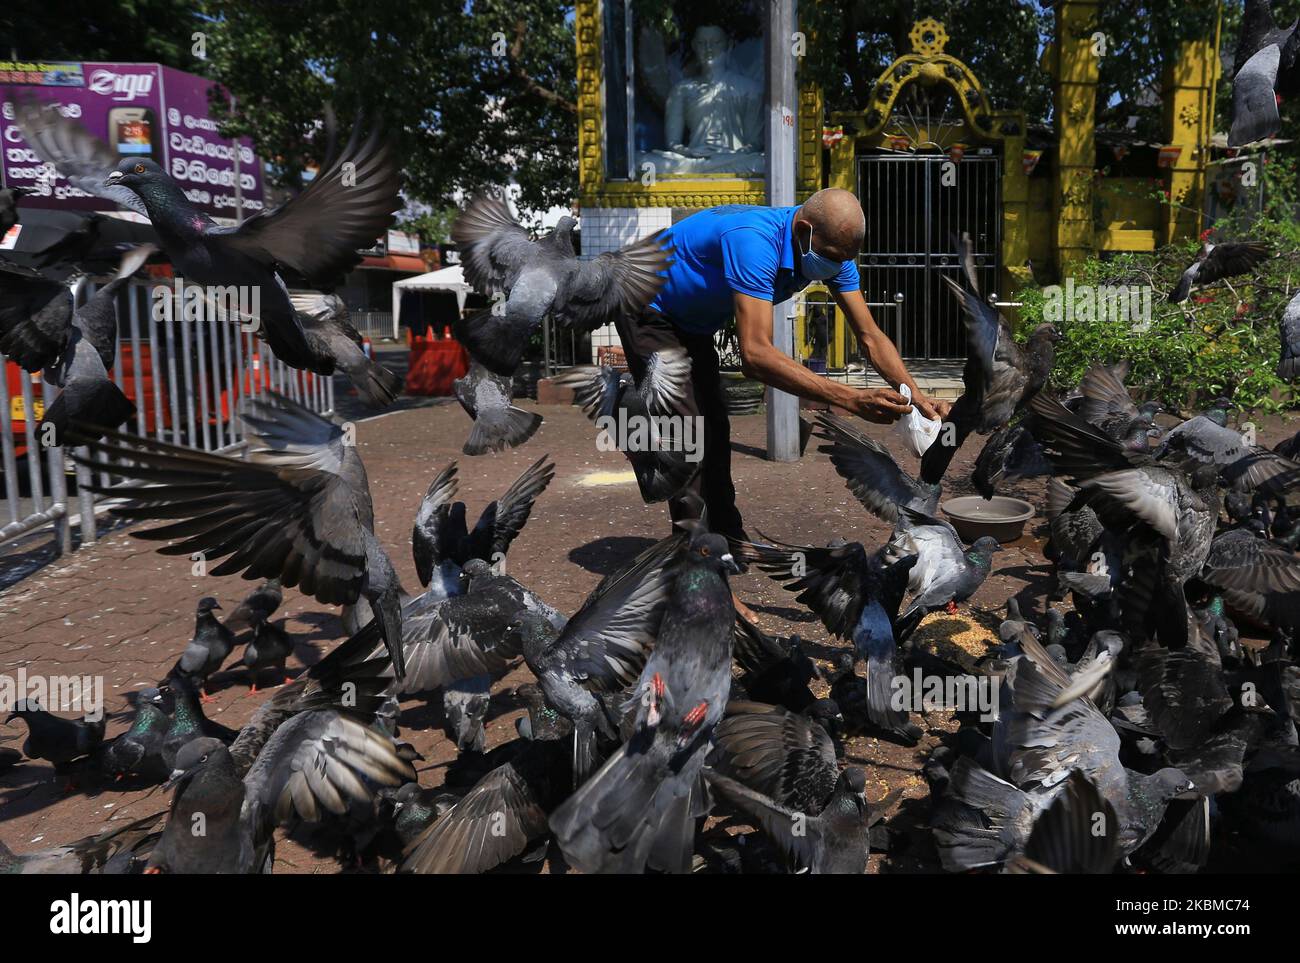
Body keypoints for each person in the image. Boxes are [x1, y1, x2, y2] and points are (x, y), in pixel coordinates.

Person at [614, 187, 952, 540]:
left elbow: (870, 336)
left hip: (691, 322)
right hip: (645, 304)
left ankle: (728, 539)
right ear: (804, 230)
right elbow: (756, 356)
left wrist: (917, 398)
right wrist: (849, 398)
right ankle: (694, 571)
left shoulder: (832, 252)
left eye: (845, 259)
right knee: (686, 435)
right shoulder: (754, 241)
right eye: (832, 256)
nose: (836, 267)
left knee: (714, 427)